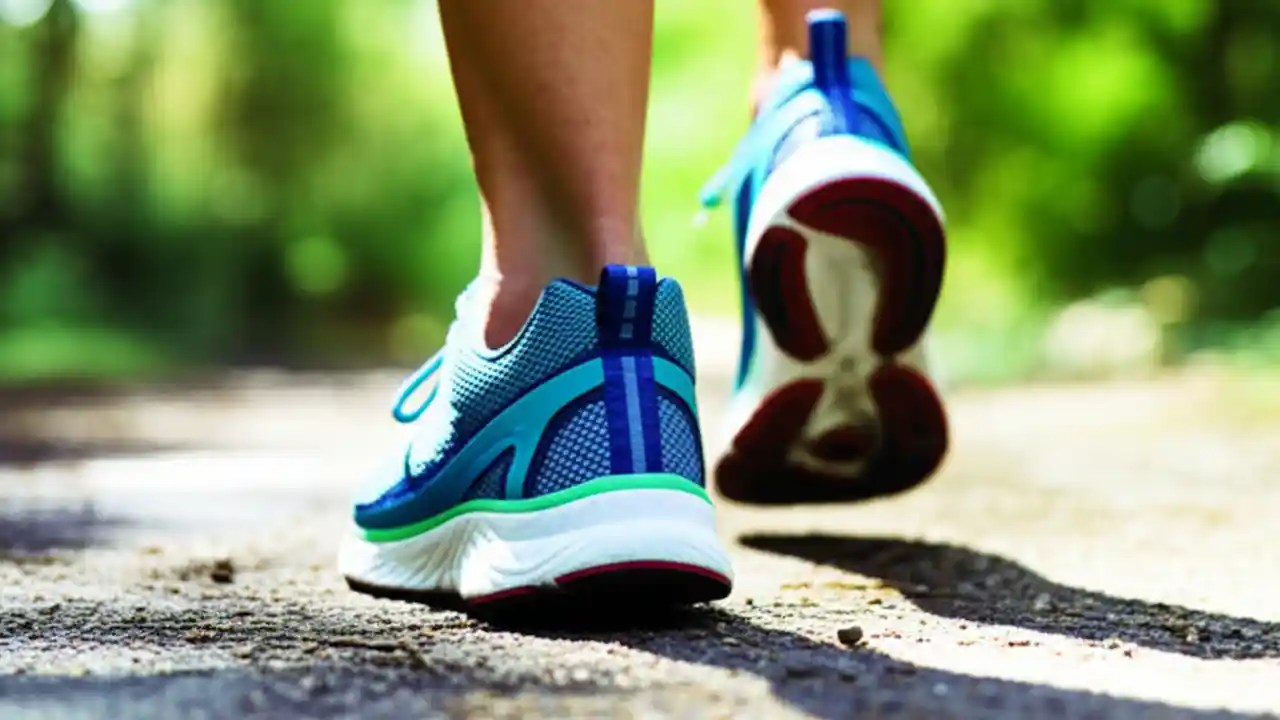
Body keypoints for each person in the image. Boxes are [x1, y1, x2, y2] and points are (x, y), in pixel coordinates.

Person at [338, 2, 948, 610]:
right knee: (816, 45)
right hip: (658, 421)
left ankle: (553, 295)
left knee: (568, 265)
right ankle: (829, 101)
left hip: (558, 401)